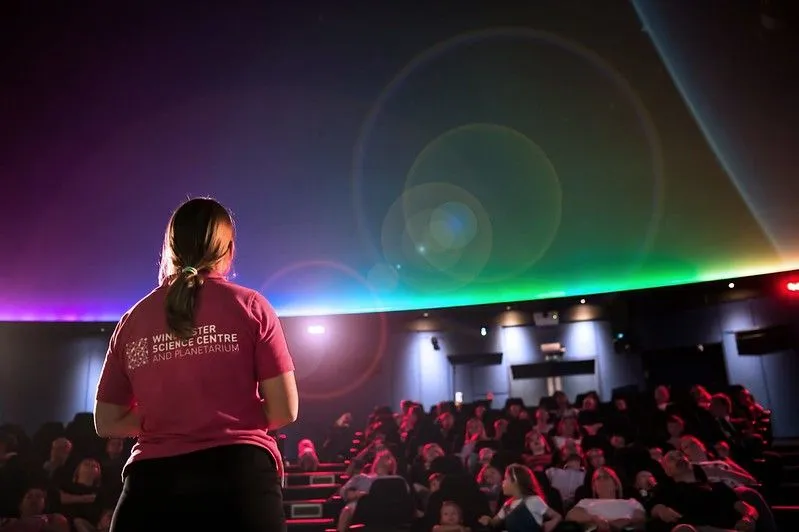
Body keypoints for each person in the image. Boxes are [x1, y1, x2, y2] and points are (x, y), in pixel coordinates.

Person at [94, 197, 298, 532]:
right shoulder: (251, 307)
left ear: (170, 248)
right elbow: (284, 410)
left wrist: (167, 415)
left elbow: (106, 421)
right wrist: (222, 415)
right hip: (239, 484)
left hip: (151, 491)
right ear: (228, 249)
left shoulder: (132, 320)